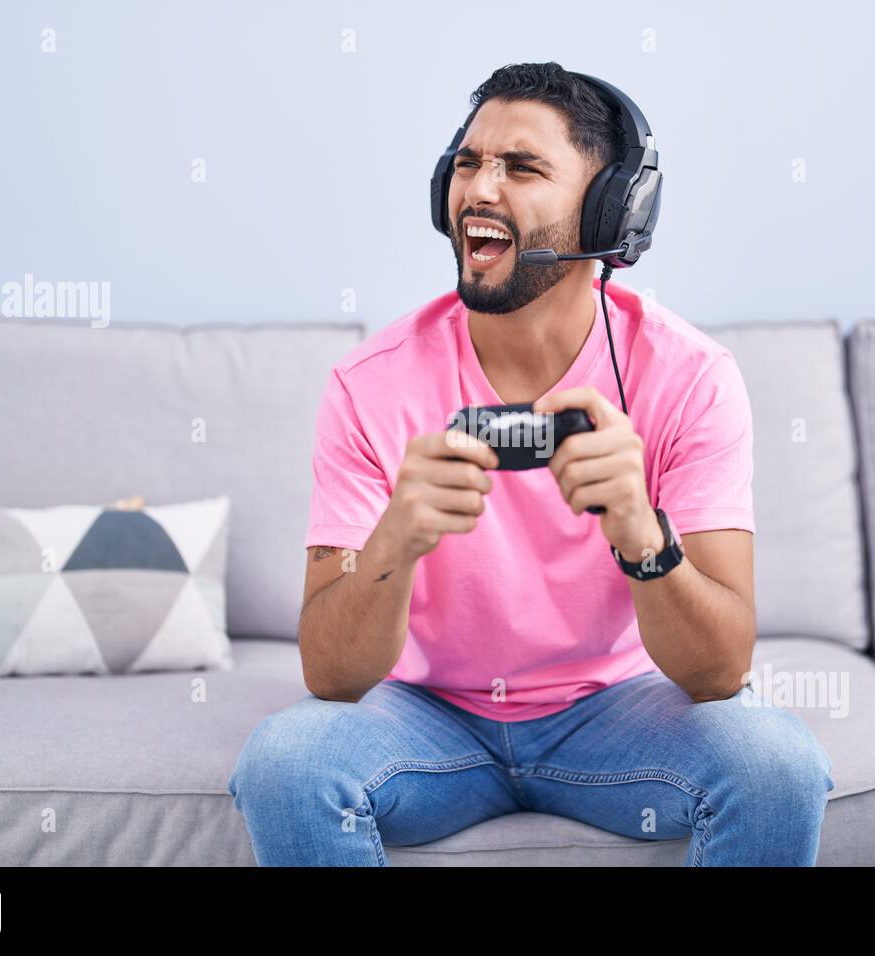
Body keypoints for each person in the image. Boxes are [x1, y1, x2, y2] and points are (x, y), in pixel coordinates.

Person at [228, 61, 834, 866]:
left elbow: (720, 671)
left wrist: (643, 537)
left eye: (521, 167)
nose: (479, 189)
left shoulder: (691, 378)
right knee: (284, 763)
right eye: (468, 163)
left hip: (615, 711)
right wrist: (392, 546)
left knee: (778, 765)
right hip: (427, 716)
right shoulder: (369, 384)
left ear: (612, 208)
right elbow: (332, 677)